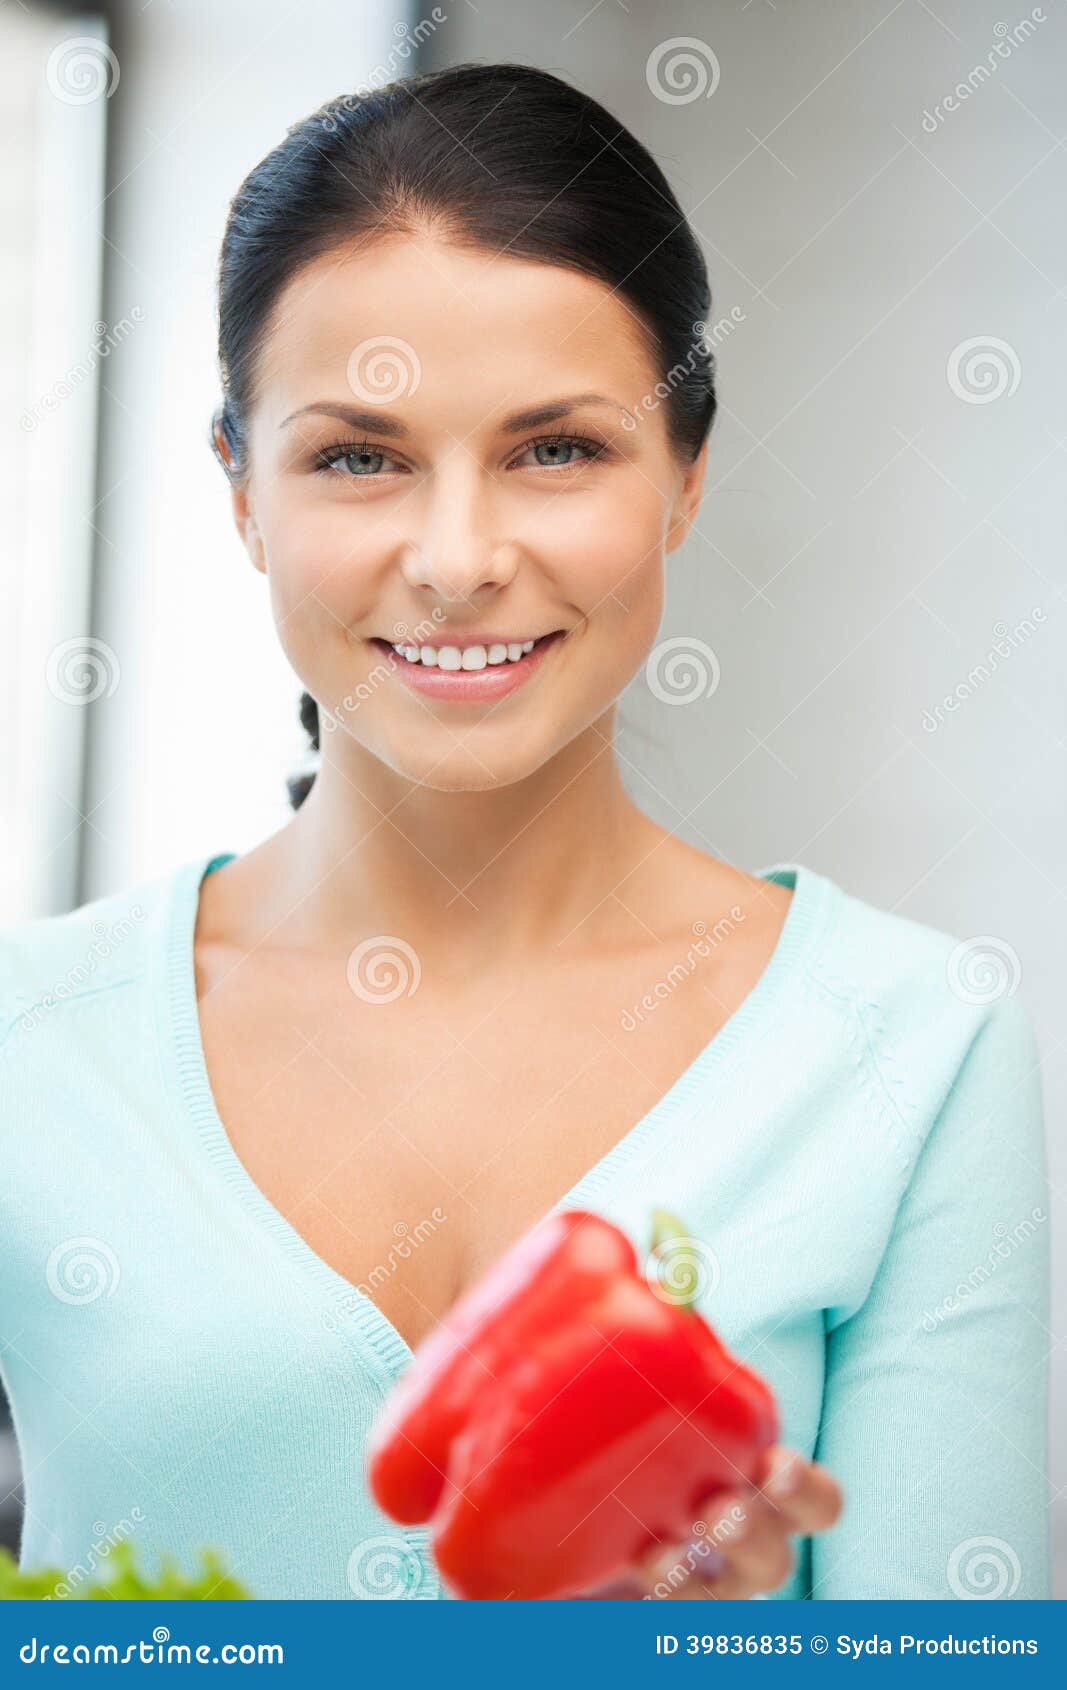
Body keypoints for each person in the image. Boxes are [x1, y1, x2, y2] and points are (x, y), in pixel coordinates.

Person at [0, 63, 1047, 1602]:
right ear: (239, 490)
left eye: (557, 448)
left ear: (686, 473)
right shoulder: (33, 1038)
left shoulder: (915, 1045)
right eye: (359, 455)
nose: (458, 557)